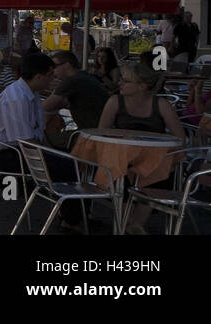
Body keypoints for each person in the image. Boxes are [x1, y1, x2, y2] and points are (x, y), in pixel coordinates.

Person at [98, 62, 184, 233]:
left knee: (157, 171)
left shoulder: (160, 104)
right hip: (122, 156)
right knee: (116, 171)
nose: (120, 83)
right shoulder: (115, 101)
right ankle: (133, 226)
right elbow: (102, 133)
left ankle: (129, 226)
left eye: (126, 81)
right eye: (121, 79)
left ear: (142, 86)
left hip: (152, 158)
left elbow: (180, 138)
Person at [0, 52, 69, 176]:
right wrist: (51, 153)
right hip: (9, 155)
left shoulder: (30, 92)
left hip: (19, 150)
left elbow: (38, 131)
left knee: (69, 158)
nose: (53, 78)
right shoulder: (17, 98)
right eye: (50, 75)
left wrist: (52, 151)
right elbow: (25, 141)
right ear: (38, 77)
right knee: (71, 166)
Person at [43, 51, 110, 149]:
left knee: (43, 140)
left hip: (88, 135)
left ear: (67, 65)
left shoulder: (71, 80)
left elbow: (45, 106)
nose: (53, 71)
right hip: (98, 133)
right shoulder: (84, 76)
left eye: (55, 66)